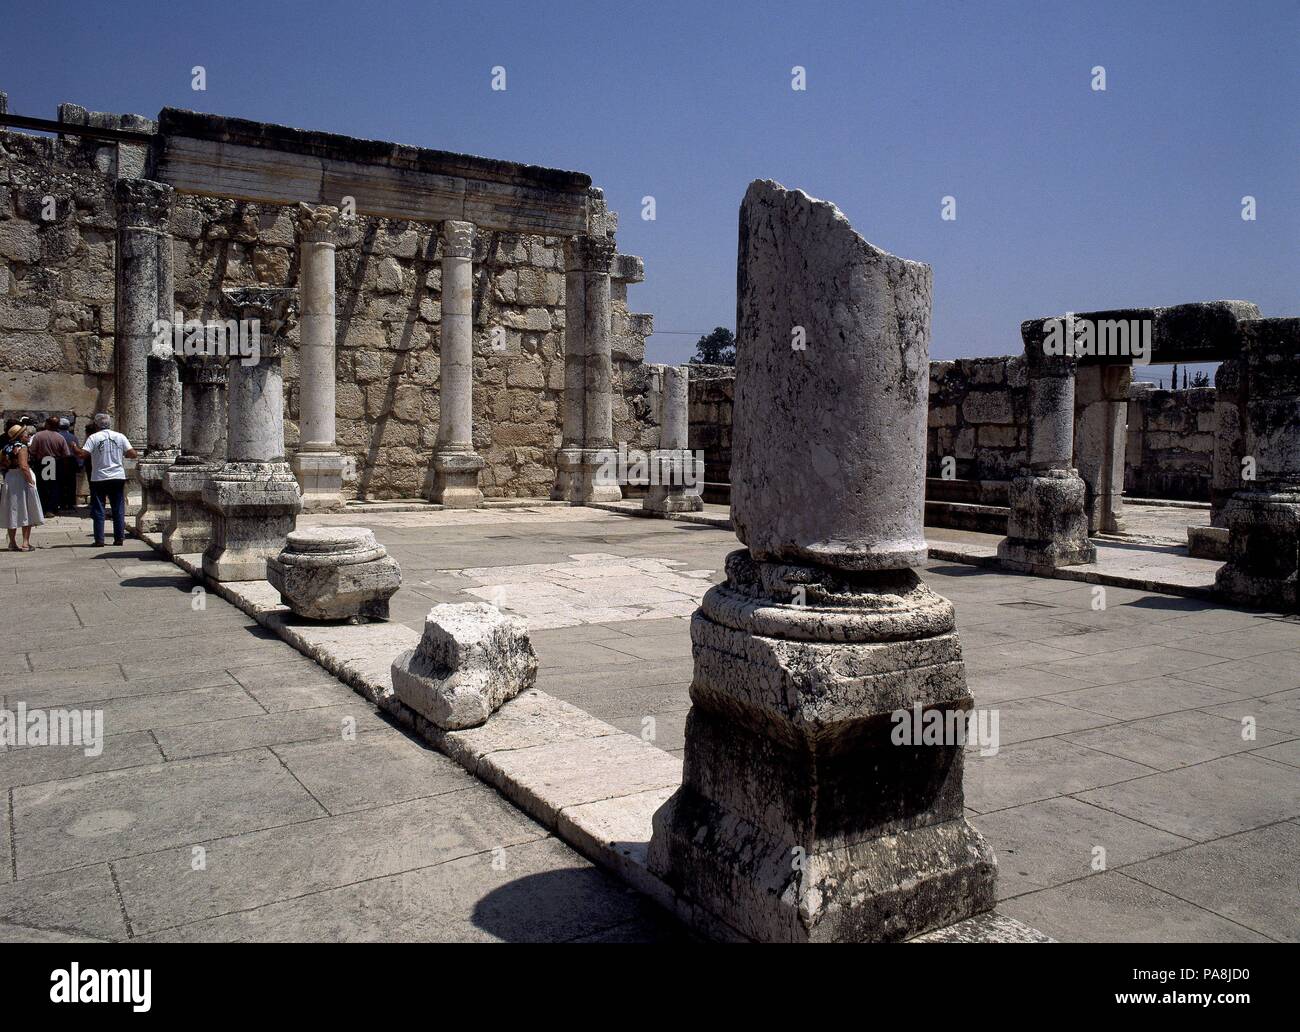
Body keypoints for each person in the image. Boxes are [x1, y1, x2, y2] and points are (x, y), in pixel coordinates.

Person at [69, 413, 137, 547]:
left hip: (99, 477)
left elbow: (83, 455)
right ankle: (119, 538)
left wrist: (74, 448)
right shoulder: (120, 436)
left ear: (96, 425)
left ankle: (99, 540)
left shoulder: (93, 437)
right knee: (118, 507)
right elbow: (133, 454)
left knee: (99, 508)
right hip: (117, 476)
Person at [1, 423, 44, 551]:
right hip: (21, 479)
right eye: (26, 434)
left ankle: (12, 543)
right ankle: (25, 542)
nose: (28, 436)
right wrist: (31, 481)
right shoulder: (22, 447)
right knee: (27, 508)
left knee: (12, 509)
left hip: (10, 478)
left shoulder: (6, 447)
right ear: (20, 436)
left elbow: (3, 463)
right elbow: (23, 466)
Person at [29, 417, 71, 516]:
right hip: (55, 463)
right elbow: (66, 454)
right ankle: (52, 508)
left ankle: (42, 508)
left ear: (47, 424)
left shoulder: (38, 436)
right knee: (54, 486)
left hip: (42, 463)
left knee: (42, 486)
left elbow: (32, 451)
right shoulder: (60, 437)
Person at [57, 417, 81, 510]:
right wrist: (79, 464)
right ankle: (70, 503)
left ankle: (61, 502)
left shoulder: (57, 436)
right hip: (71, 461)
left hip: (60, 461)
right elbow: (76, 451)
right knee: (71, 483)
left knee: (60, 483)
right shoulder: (73, 437)